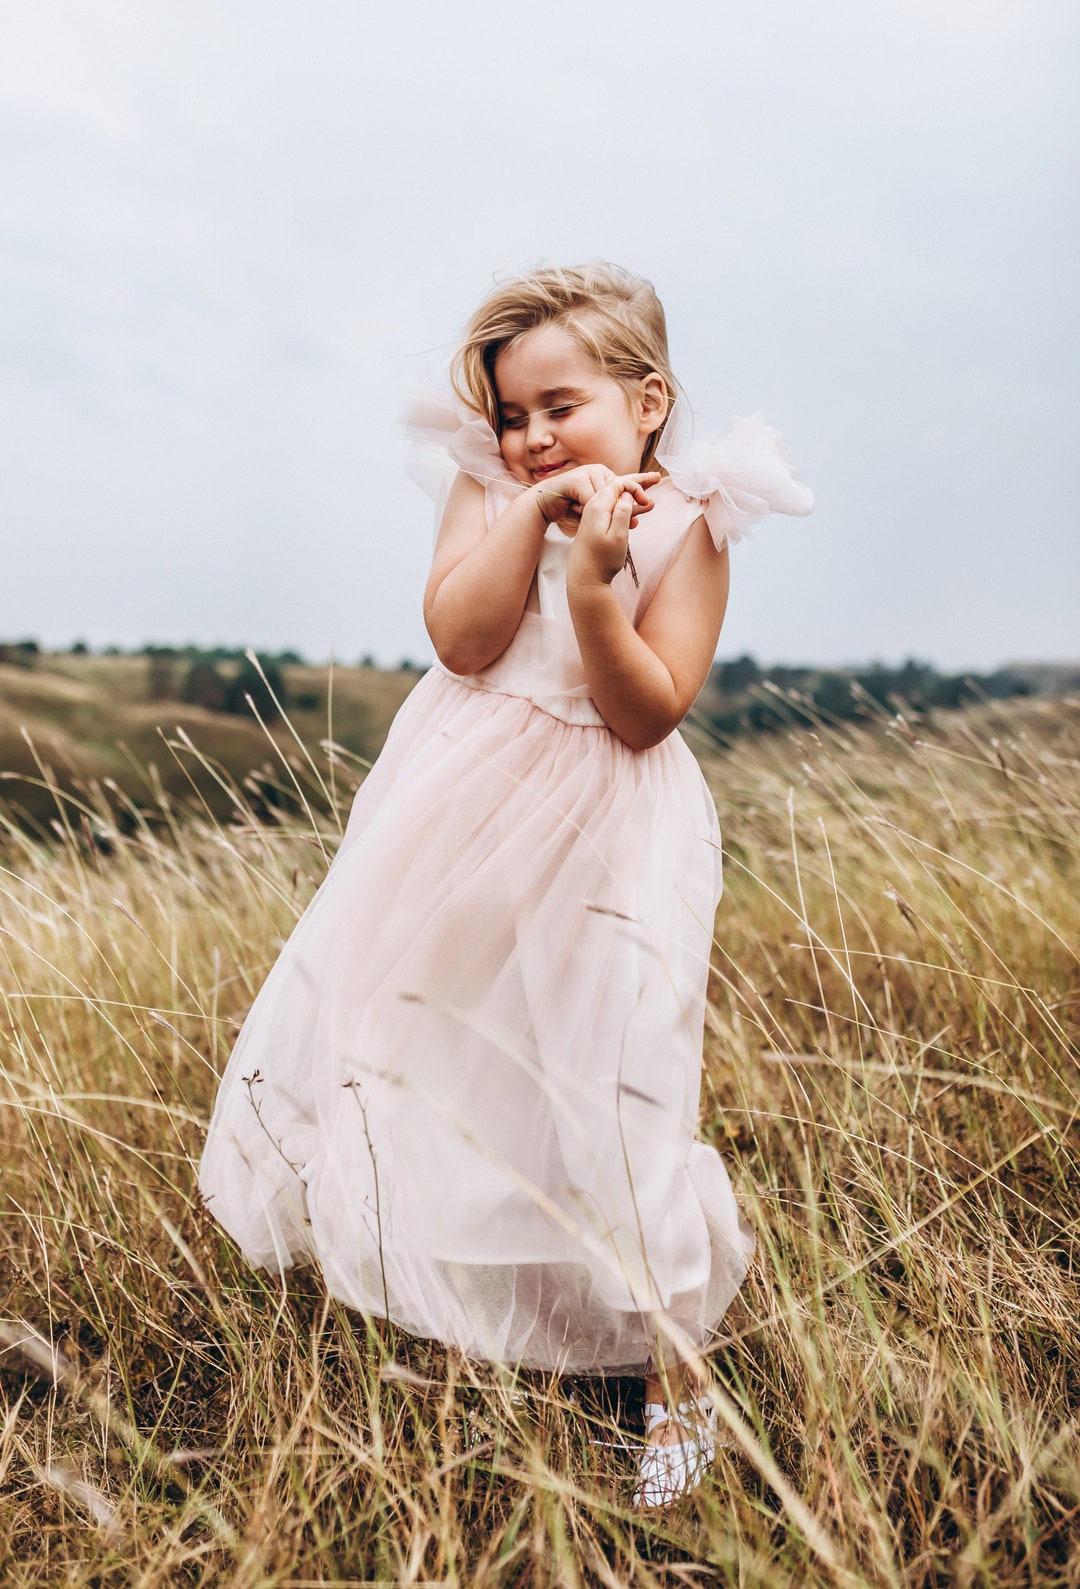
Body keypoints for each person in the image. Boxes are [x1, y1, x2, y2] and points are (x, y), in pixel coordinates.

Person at [200, 262, 812, 1505]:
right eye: (511, 413)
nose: (530, 435)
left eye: (559, 406)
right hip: (457, 814)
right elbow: (461, 638)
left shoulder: (695, 523)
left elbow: (646, 712)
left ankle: (675, 1370)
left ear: (648, 401)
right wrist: (533, 524)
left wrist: (596, 586)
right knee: (432, 1051)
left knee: (619, 1080)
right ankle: (463, 1316)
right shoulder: (491, 490)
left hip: (611, 826)